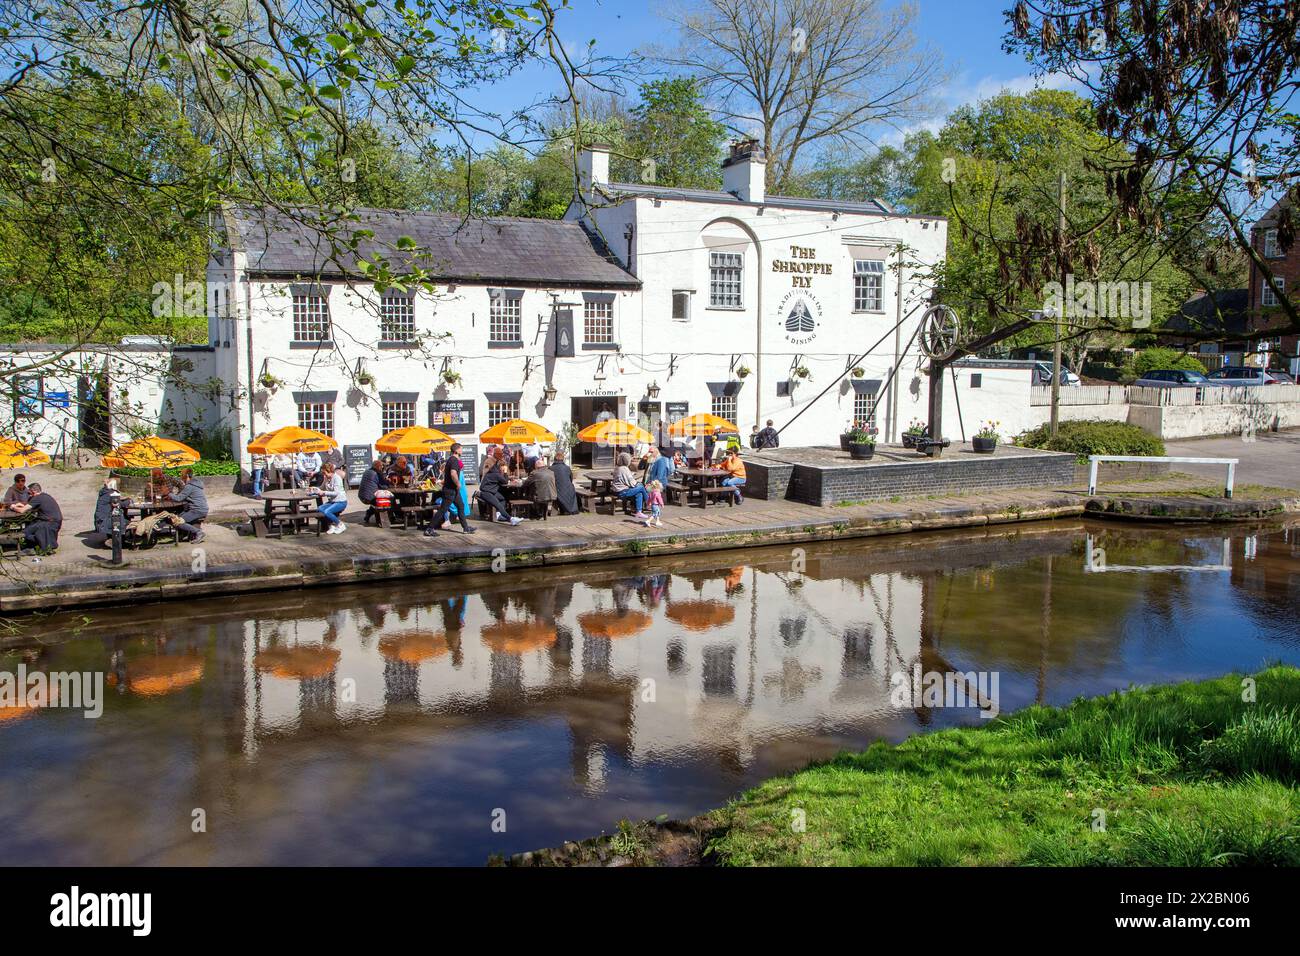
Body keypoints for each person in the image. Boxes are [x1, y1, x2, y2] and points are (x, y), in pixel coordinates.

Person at [430, 442, 477, 534]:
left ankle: (466, 528)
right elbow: (453, 473)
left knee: (461, 506)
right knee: (443, 509)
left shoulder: (450, 459)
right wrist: (458, 483)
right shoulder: (454, 460)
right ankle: (430, 529)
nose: (462, 450)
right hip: (450, 490)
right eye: (461, 449)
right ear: (457, 450)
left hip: (452, 490)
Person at [11, 482, 63, 552]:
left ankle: (36, 544)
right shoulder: (45, 496)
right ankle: (39, 542)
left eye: (29, 493)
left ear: (33, 492)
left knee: (25, 532)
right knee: (31, 524)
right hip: (55, 522)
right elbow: (30, 506)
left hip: (48, 523)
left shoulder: (37, 498)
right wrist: (22, 505)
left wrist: (13, 507)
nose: (29, 495)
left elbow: (22, 510)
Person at [166, 467, 209, 543]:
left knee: (177, 521)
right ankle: (183, 535)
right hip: (200, 508)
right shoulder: (195, 484)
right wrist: (172, 496)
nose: (181, 479)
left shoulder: (189, 486)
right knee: (179, 515)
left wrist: (168, 493)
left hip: (197, 510)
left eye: (182, 476)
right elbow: (182, 496)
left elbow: (179, 498)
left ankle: (199, 532)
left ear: (187, 476)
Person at [477, 456, 522, 525]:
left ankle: (498, 514)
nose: (504, 468)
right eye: (504, 466)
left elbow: (495, 481)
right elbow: (505, 481)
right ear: (500, 466)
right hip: (487, 493)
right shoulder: (496, 474)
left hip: (489, 491)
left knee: (502, 499)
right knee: (498, 505)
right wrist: (505, 472)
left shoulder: (491, 472)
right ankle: (511, 519)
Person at [316, 461, 348, 534]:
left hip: (340, 501)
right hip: (332, 502)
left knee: (327, 511)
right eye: (323, 473)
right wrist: (315, 489)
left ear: (329, 471)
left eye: (324, 473)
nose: (324, 475)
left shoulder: (337, 478)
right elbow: (321, 487)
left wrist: (324, 493)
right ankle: (332, 525)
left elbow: (336, 493)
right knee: (319, 509)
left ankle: (340, 524)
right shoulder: (326, 478)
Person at [612, 452, 648, 516]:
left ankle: (638, 512)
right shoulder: (624, 469)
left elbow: (624, 477)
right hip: (622, 492)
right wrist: (637, 484)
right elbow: (631, 482)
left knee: (639, 493)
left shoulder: (617, 467)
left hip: (616, 491)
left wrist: (631, 474)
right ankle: (648, 502)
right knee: (641, 486)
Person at [550, 449, 579, 516]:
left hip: (557, 490)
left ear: (554, 459)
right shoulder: (567, 468)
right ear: (563, 460)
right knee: (570, 490)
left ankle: (564, 509)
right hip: (569, 490)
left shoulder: (551, 468)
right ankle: (572, 509)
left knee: (558, 492)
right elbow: (570, 479)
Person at [92, 476, 118, 546]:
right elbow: (119, 503)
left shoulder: (104, 492)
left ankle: (113, 538)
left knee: (117, 516)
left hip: (99, 519)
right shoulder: (111, 493)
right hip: (103, 521)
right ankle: (115, 540)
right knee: (120, 520)